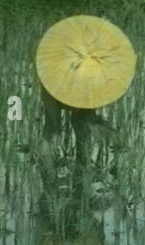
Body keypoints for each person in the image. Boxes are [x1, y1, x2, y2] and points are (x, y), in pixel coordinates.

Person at [33, 15, 136, 178]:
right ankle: (81, 173)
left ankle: (49, 177)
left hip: (54, 83)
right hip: (77, 86)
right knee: (82, 130)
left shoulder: (62, 53)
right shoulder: (97, 66)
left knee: (51, 131)